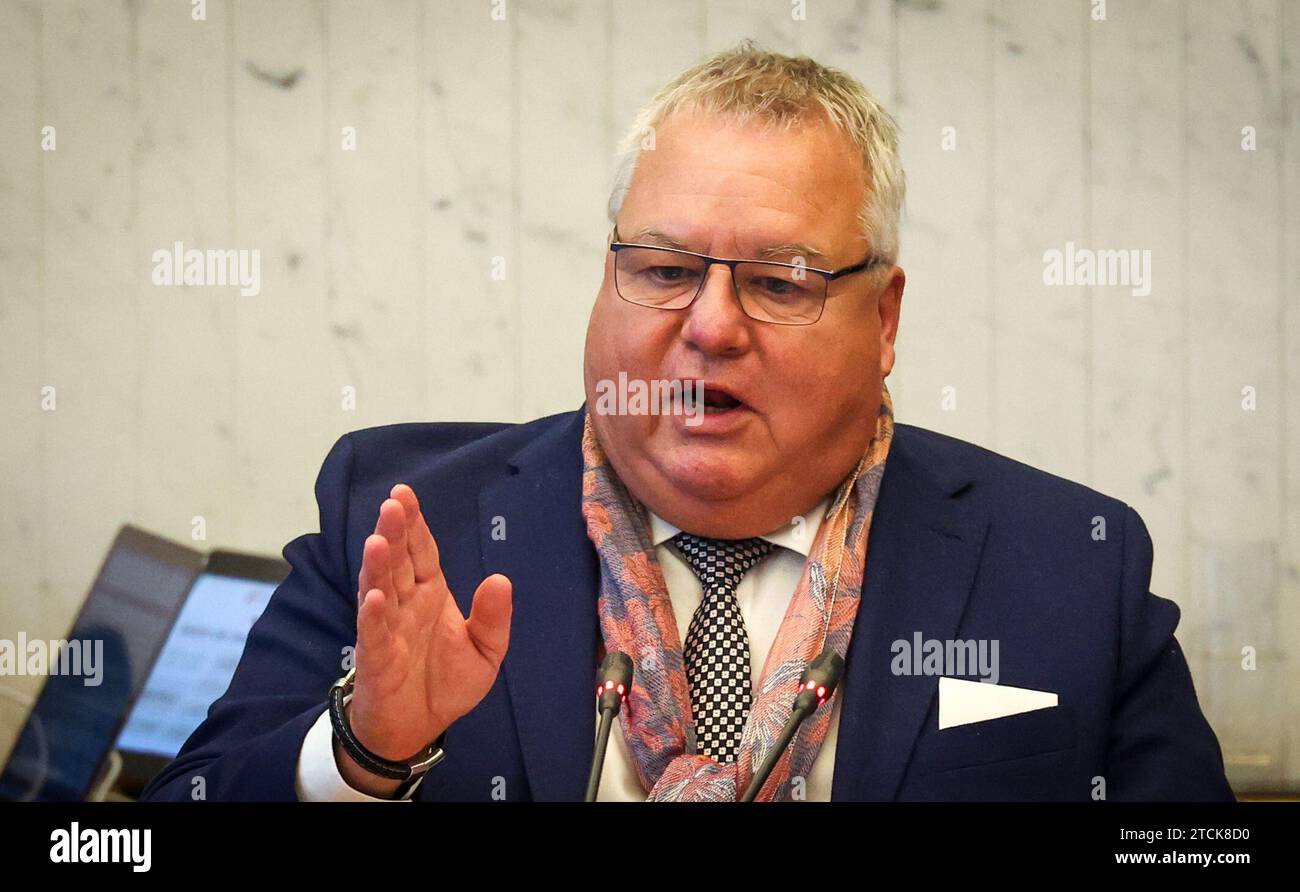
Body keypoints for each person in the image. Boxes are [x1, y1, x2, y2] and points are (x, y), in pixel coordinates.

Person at [141, 41, 1233, 803]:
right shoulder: (411, 520)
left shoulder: (1065, 566)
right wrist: (363, 753)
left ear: (885, 316)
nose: (710, 326)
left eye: (779, 282)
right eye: (663, 269)